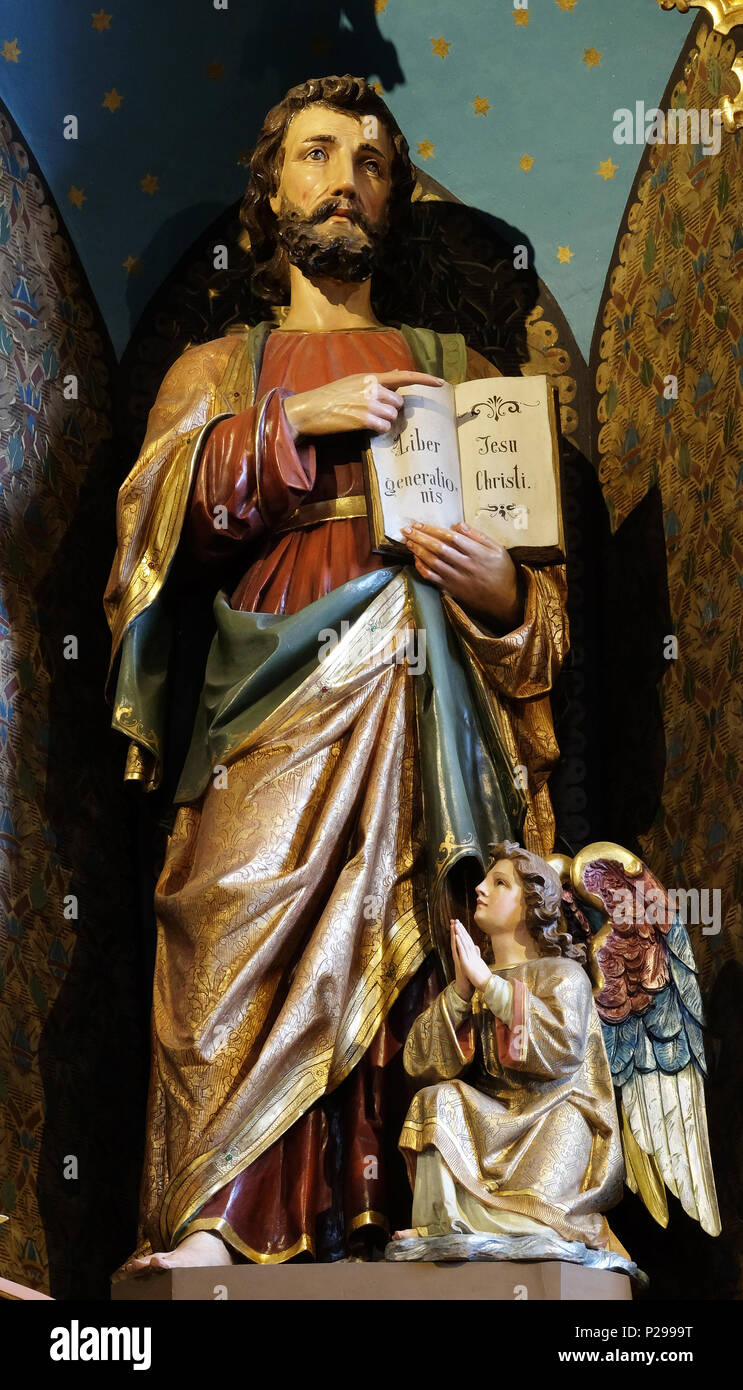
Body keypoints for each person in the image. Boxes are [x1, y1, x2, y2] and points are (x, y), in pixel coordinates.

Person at [103, 74, 569, 1274]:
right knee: (233, 920)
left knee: (435, 943)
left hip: (430, 710)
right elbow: (149, 533)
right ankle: (216, 1210)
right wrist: (291, 422)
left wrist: (497, 589)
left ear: (391, 197)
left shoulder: (461, 368)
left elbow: (546, 631)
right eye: (315, 155)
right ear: (271, 190)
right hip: (271, 703)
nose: (345, 179)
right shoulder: (221, 364)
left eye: (368, 160)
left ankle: (443, 1210)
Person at [395, 841, 628, 1256]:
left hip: (552, 1117)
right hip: (495, 1118)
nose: (480, 890)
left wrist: (490, 986)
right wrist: (462, 995)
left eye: (499, 883)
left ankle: (516, 1225)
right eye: (485, 881)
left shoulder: (563, 974)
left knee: (540, 1214)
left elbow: (559, 1051)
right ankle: (442, 1221)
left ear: (533, 904)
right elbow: (418, 1062)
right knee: (436, 1100)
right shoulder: (475, 981)